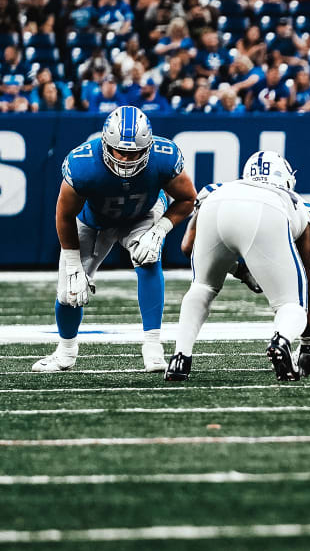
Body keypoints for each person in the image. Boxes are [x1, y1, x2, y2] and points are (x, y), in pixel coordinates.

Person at [34, 106, 196, 373]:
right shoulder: (83, 162)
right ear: (105, 143)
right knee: (69, 291)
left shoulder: (164, 156)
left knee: (148, 255)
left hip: (142, 214)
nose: (126, 159)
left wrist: (160, 230)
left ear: (148, 146)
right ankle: (65, 352)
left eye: (134, 153)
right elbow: (64, 215)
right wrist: (74, 263)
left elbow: (188, 198)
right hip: (93, 221)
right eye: (120, 151)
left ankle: (153, 346)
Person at [165, 152, 310, 382]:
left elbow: (187, 247)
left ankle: (180, 358)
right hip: (268, 209)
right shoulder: (299, 204)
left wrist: (241, 271)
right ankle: (281, 341)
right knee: (291, 303)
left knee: (202, 287)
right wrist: (308, 346)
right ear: (287, 179)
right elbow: (306, 279)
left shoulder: (215, 189)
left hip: (216, 205)